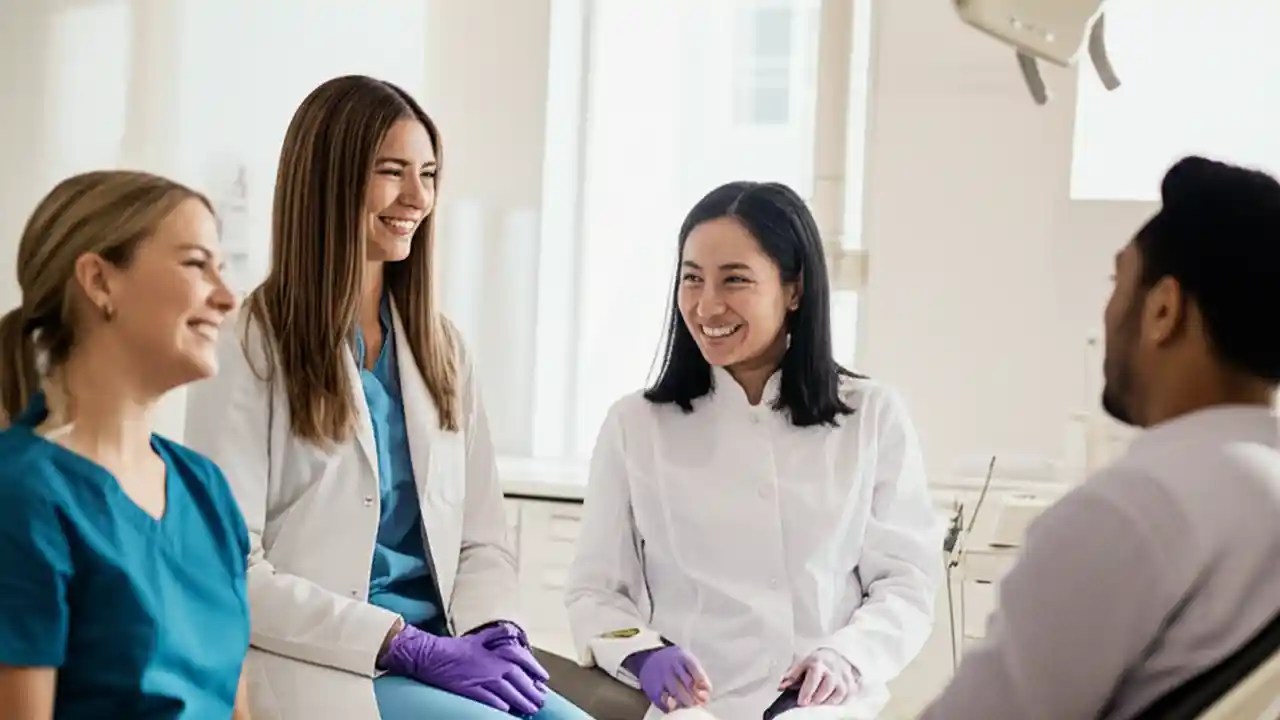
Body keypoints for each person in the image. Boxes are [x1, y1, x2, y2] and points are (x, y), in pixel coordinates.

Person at [182, 75, 588, 720]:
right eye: (391, 171)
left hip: (451, 651)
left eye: (427, 174)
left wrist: (494, 629)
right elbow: (229, 568)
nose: (416, 197)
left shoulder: (441, 347)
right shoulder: (248, 345)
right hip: (328, 666)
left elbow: (482, 540)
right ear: (328, 181)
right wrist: (404, 644)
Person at [566, 181, 944, 719]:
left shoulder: (872, 417)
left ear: (795, 290)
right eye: (691, 279)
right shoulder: (636, 425)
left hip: (821, 707)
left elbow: (906, 583)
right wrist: (642, 653)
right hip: (690, 710)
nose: (706, 304)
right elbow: (595, 592)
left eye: (735, 280)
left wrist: (844, 657)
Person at [920, 156, 1280, 719]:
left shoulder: (1133, 509)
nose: (1108, 311)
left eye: (1118, 280)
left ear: (1163, 309)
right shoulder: (1261, 485)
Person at [0, 171, 249, 718]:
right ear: (99, 280)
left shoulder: (204, 489)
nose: (227, 298)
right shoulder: (23, 494)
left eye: (223, 269)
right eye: (195, 263)